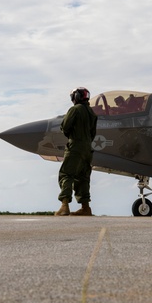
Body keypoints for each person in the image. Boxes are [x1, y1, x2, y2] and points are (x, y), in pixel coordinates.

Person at [56, 87, 97, 216]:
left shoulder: (74, 110)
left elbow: (65, 127)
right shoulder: (92, 113)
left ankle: (64, 205)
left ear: (76, 97)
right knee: (83, 178)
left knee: (66, 174)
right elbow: (93, 133)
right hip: (87, 149)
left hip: (75, 147)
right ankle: (85, 207)